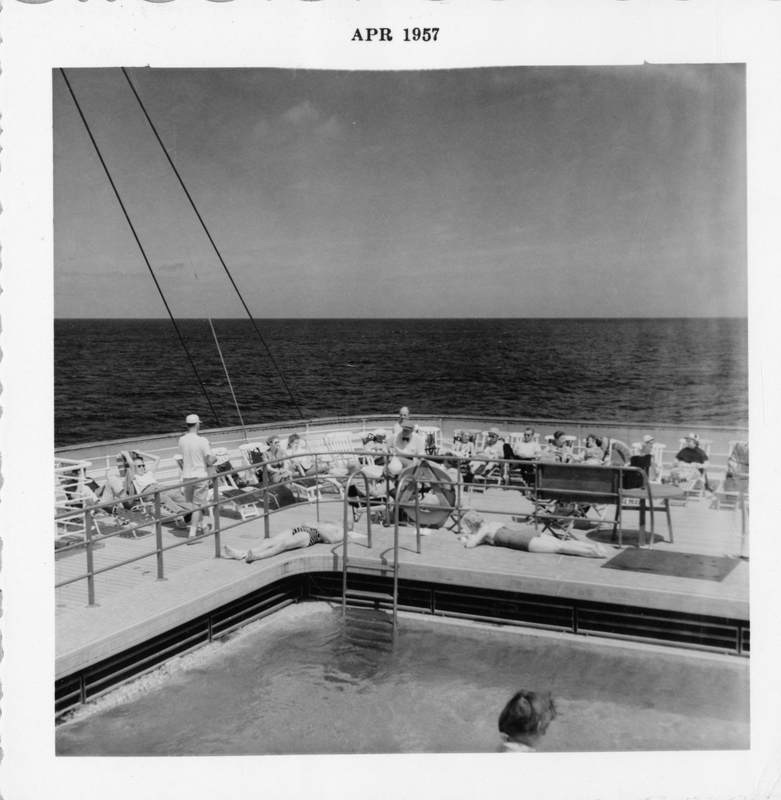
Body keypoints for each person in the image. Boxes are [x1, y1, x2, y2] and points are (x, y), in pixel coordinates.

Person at [458, 509, 609, 558]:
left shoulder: (483, 530)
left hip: (521, 540)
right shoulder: (493, 524)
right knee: (561, 542)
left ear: (471, 524)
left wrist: (467, 540)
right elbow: (488, 539)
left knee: (559, 547)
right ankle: (591, 546)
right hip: (526, 532)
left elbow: (470, 545)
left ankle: (592, 553)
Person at [222, 520, 359, 563]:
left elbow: (332, 540)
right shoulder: (334, 522)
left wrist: (316, 526)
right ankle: (242, 553)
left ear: (350, 526)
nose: (343, 517)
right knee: (268, 541)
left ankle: (256, 556)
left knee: (282, 545)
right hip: (301, 529)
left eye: (347, 519)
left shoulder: (343, 531)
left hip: (310, 535)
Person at [123, 450, 192, 526]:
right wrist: (126, 454)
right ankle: (182, 513)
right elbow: (131, 463)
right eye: (139, 466)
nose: (142, 468)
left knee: (175, 494)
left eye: (143, 465)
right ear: (134, 468)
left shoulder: (148, 474)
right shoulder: (134, 476)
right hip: (148, 492)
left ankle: (194, 509)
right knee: (164, 498)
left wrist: (142, 453)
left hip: (160, 488)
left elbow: (157, 459)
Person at [177, 413, 216, 542]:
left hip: (187, 477)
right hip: (200, 476)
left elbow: (182, 458)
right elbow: (209, 461)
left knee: (195, 505)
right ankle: (192, 535)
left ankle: (204, 527)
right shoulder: (202, 440)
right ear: (198, 424)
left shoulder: (182, 440)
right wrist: (214, 456)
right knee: (197, 507)